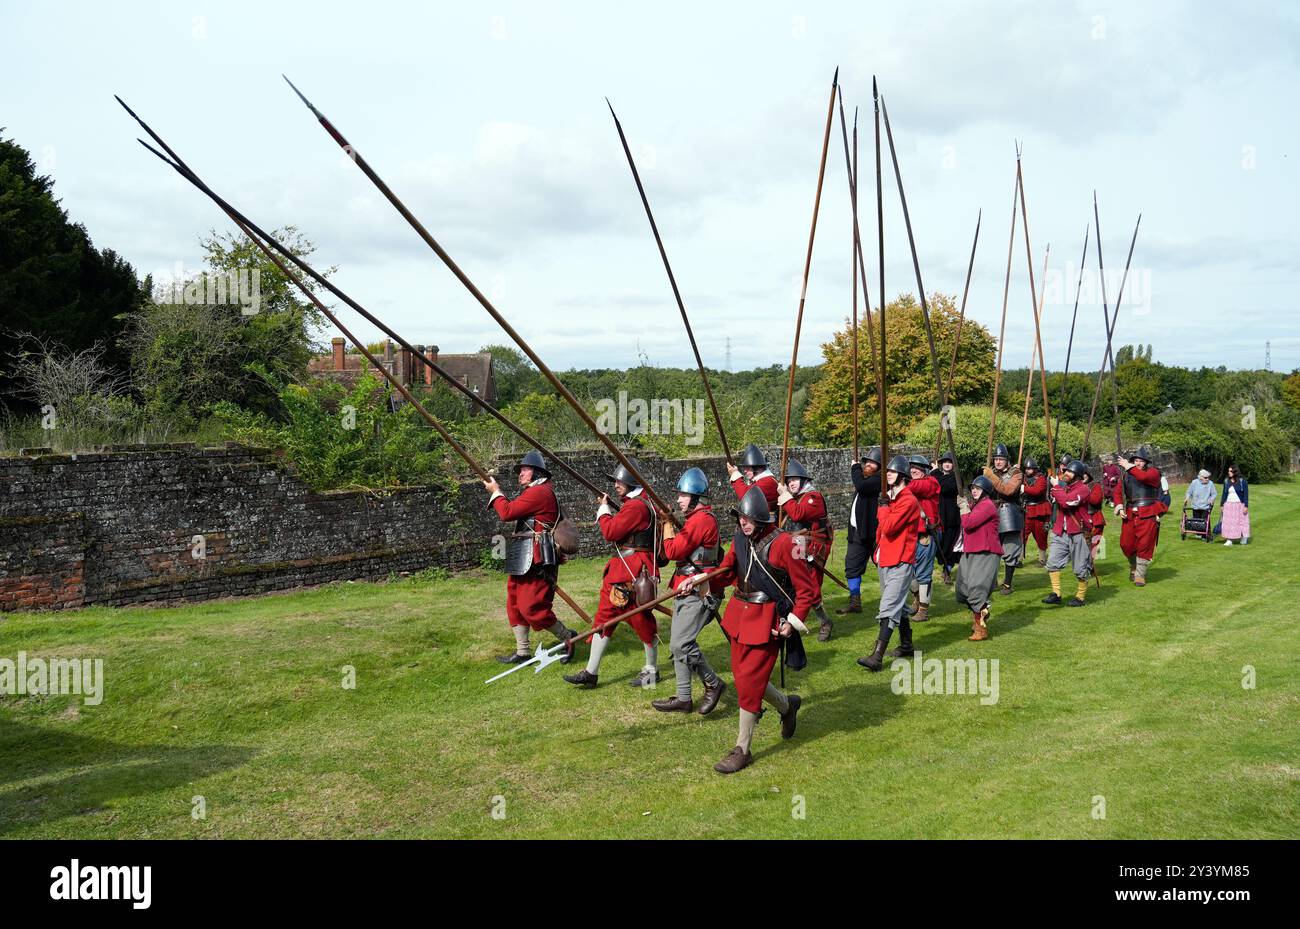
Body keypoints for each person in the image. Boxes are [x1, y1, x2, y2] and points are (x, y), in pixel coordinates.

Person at [682, 487, 812, 775]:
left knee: (750, 682)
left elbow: (807, 590)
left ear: (763, 519)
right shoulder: (740, 539)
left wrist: (792, 621)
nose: (743, 522)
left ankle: (742, 749)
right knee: (745, 679)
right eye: (741, 517)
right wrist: (699, 578)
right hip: (740, 616)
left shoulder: (788, 543)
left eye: (749, 517)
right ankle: (787, 707)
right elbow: (728, 571)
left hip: (768, 620)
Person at [563, 461, 661, 688]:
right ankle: (591, 672)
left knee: (642, 621)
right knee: (604, 620)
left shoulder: (636, 506)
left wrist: (604, 510)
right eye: (615, 481)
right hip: (623, 569)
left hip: (633, 570)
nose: (616, 485)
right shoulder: (636, 504)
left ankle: (651, 672)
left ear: (631, 483)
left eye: (619, 481)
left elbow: (610, 532)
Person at [483, 450, 578, 665]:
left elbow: (506, 512)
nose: (521, 474)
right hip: (523, 553)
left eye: (525, 470)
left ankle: (568, 637)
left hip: (537, 556)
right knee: (514, 603)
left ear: (536, 472)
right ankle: (523, 651)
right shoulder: (534, 492)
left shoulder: (540, 493)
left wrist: (496, 491)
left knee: (532, 607)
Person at [652, 467, 726, 715]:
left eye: (683, 495)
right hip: (685, 588)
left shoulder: (702, 520)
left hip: (700, 591)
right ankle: (684, 697)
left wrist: (666, 524)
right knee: (677, 645)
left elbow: (673, 551)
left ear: (695, 497)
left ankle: (713, 684)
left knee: (682, 644)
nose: (679, 499)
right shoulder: (696, 519)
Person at [857, 455, 921, 671]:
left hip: (901, 559)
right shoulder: (892, 499)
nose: (888, 475)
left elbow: (890, 526)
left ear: (902, 475)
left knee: (888, 606)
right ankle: (906, 644)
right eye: (887, 472)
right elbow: (881, 530)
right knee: (897, 604)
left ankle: (877, 656)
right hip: (886, 558)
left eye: (892, 472)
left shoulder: (908, 500)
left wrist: (882, 508)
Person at [777, 459, 835, 640]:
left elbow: (798, 514)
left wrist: (785, 496)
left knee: (810, 587)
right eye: (789, 481)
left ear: (803, 480)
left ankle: (825, 621)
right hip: (798, 543)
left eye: (794, 479)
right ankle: (787, 620)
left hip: (814, 546)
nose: (791, 483)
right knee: (788, 580)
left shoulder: (813, 497)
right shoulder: (796, 498)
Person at [1111, 446, 1166, 587]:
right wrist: (1119, 506)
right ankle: (1133, 566)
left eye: (1141, 461)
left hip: (1148, 512)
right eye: (1135, 460)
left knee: (1144, 544)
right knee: (1126, 544)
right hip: (1130, 513)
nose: (1138, 463)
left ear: (1145, 462)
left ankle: (1140, 575)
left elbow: (1143, 477)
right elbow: (1117, 492)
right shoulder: (1126, 475)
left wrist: (1128, 466)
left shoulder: (1153, 473)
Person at [955, 475, 1000, 641]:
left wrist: (963, 508)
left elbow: (969, 523)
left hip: (986, 551)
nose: (974, 490)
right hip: (971, 550)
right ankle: (982, 610)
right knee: (962, 590)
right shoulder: (976, 505)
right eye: (973, 488)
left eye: (978, 488)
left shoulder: (987, 505)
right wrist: (966, 507)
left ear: (985, 491)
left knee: (976, 590)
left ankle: (980, 628)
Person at [838, 446, 882, 615]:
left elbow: (861, 486)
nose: (869, 465)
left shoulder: (878, 480)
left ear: (880, 467)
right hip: (858, 533)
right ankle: (855, 601)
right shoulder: (866, 479)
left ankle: (915, 597)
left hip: (874, 533)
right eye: (867, 462)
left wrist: (854, 467)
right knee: (852, 566)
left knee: (887, 566)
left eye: (873, 463)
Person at [1042, 460, 1092, 607]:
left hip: (1078, 531)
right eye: (1066, 471)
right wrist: (1057, 489)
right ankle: (1056, 594)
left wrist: (1056, 487)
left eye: (1069, 472)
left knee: (1080, 568)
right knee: (1052, 563)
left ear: (1077, 475)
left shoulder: (1083, 489)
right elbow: (1057, 499)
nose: (1066, 473)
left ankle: (1080, 597)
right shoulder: (1064, 488)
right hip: (1060, 531)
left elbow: (1066, 502)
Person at [983, 443, 1024, 594]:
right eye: (996, 459)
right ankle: (991, 581)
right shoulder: (990, 472)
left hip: (1009, 513)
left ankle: (1007, 583)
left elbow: (1008, 490)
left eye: (1001, 459)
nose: (998, 462)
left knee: (1010, 549)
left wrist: (990, 477)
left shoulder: (1016, 473)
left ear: (1007, 460)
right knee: (991, 550)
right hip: (992, 513)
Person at [906, 454, 941, 623]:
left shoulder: (930, 482)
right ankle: (918, 600)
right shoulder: (909, 485)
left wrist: (901, 483)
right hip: (909, 536)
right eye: (911, 468)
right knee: (908, 574)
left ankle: (924, 610)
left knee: (923, 575)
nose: (913, 470)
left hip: (925, 536)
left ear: (925, 471)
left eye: (917, 468)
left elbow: (915, 487)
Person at [933, 451, 960, 585]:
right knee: (938, 546)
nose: (947, 464)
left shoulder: (956, 478)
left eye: (950, 462)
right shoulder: (937, 476)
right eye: (945, 462)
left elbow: (942, 487)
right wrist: (935, 474)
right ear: (941, 464)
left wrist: (934, 473)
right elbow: (933, 485)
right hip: (938, 516)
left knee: (949, 546)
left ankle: (947, 570)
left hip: (951, 517)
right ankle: (944, 566)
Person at [727, 443, 780, 511]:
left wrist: (735, 474)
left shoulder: (767, 481)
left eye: (748, 468)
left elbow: (746, 496)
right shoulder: (764, 480)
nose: (745, 471)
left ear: (757, 467)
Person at [1020, 457, 1051, 567]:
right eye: (1026, 468)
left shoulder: (1041, 479)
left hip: (1039, 509)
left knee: (1040, 536)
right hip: (1027, 509)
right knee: (1022, 535)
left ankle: (1042, 560)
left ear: (1034, 468)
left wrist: (1024, 489)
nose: (1027, 470)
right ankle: (1018, 559)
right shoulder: (1022, 478)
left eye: (1029, 468)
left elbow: (1037, 491)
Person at [1220, 464, 1250, 545]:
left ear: (1235, 472)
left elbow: (1246, 494)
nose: (1229, 473)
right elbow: (1224, 494)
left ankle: (1244, 537)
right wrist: (1222, 505)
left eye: (1231, 471)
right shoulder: (1226, 481)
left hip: (1240, 505)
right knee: (1229, 522)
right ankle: (1229, 540)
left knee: (1242, 522)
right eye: (1228, 471)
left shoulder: (1242, 481)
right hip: (1229, 505)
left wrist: (1246, 506)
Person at [1082, 465, 1106, 564]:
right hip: (1081, 519)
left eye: (1085, 474)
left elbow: (1095, 500)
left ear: (1088, 475)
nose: (1083, 476)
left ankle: (1090, 566)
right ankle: (1084, 566)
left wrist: (1083, 491)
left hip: (1094, 518)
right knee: (1081, 545)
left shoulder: (1095, 486)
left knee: (1093, 545)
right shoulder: (1075, 486)